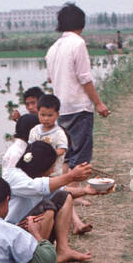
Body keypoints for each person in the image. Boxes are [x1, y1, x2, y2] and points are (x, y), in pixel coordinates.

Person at [3, 141, 92, 263]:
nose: (52, 171)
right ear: (41, 166)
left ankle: (63, 250)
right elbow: (37, 187)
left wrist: (87, 190)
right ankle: (37, 258)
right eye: (51, 167)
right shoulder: (13, 176)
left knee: (65, 196)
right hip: (14, 234)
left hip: (34, 228)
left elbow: (61, 189)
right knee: (47, 208)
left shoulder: (36, 176)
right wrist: (71, 176)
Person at [45, 3, 110, 169]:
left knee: (67, 155)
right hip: (79, 107)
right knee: (81, 155)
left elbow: (50, 79)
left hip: (61, 109)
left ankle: (68, 192)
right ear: (81, 23)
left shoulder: (53, 48)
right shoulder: (78, 44)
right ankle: (74, 192)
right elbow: (85, 78)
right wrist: (99, 103)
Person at [30, 93, 93, 236]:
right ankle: (72, 225)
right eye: (43, 115)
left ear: (57, 115)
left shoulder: (59, 133)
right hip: (38, 173)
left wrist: (47, 154)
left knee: (62, 195)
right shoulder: (34, 131)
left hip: (54, 172)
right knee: (54, 198)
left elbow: (62, 149)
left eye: (50, 115)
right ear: (38, 113)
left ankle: (75, 224)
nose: (46, 119)